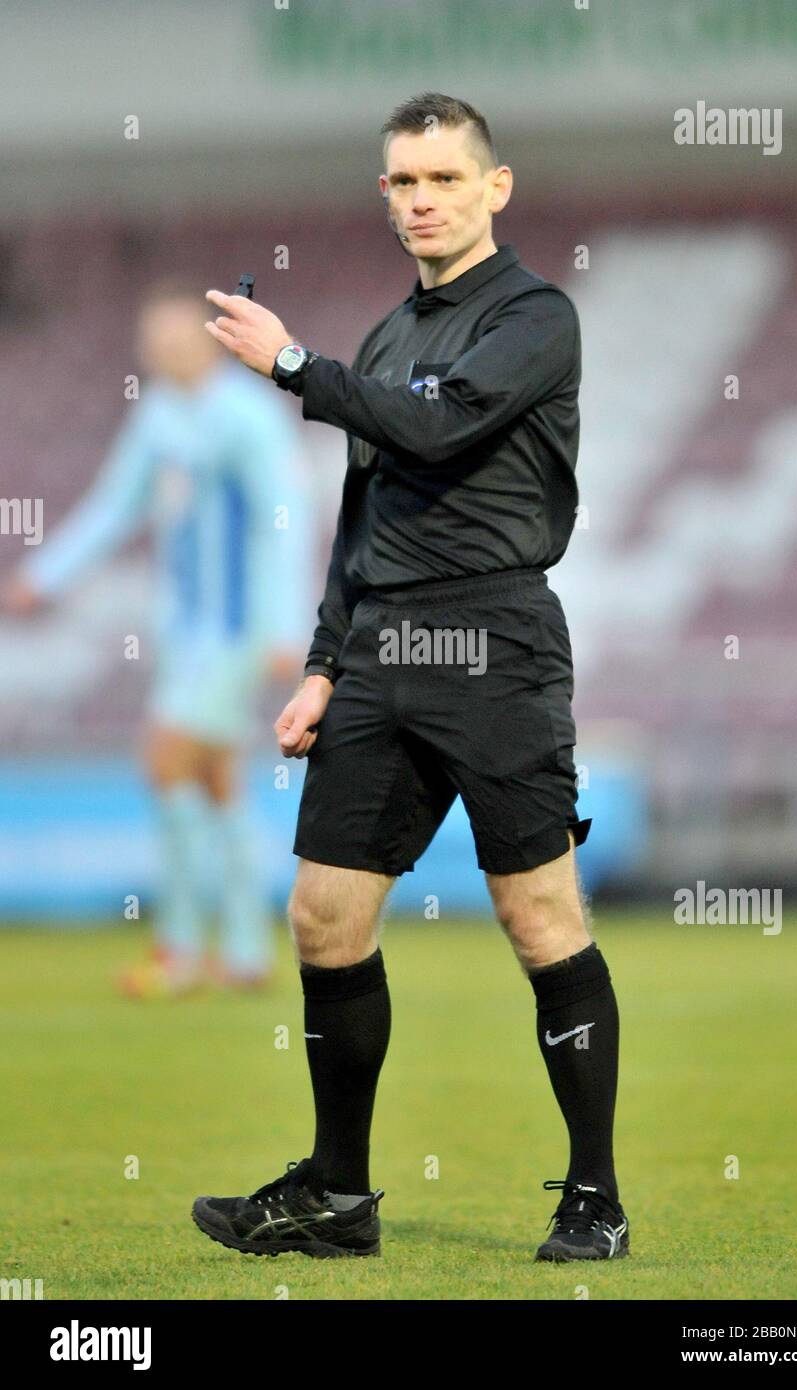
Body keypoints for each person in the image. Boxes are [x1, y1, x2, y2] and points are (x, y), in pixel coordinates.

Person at [190, 93, 628, 1262]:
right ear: (384, 193)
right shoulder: (384, 341)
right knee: (323, 918)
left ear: (496, 187)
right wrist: (326, 664)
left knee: (538, 917)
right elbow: (362, 513)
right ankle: (337, 1197)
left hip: (494, 641)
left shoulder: (535, 317)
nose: (421, 198)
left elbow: (436, 432)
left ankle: (593, 1194)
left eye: (442, 177)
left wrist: (288, 361)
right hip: (379, 649)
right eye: (401, 181)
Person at [3, 281, 314, 997]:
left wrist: (286, 627)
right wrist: (45, 576)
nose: (162, 349)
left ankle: (179, 949)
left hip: (236, 631)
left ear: (207, 338)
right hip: (184, 631)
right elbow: (116, 505)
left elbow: (283, 520)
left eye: (175, 335)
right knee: (214, 783)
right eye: (153, 339)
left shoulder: (249, 417)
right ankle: (244, 952)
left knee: (165, 763)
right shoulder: (161, 417)